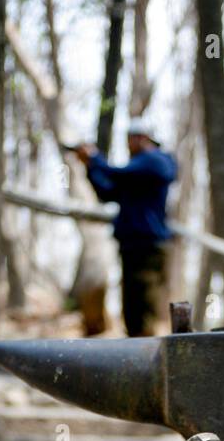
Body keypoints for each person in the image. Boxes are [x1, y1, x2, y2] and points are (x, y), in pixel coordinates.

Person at [73, 120, 176, 337]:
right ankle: (136, 350)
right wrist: (89, 167)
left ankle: (147, 354)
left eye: (132, 137)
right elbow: (107, 192)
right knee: (131, 307)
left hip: (148, 246)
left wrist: (94, 157)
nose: (129, 143)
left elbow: (115, 173)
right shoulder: (137, 174)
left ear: (144, 138)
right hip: (132, 246)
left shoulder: (156, 160)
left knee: (144, 306)